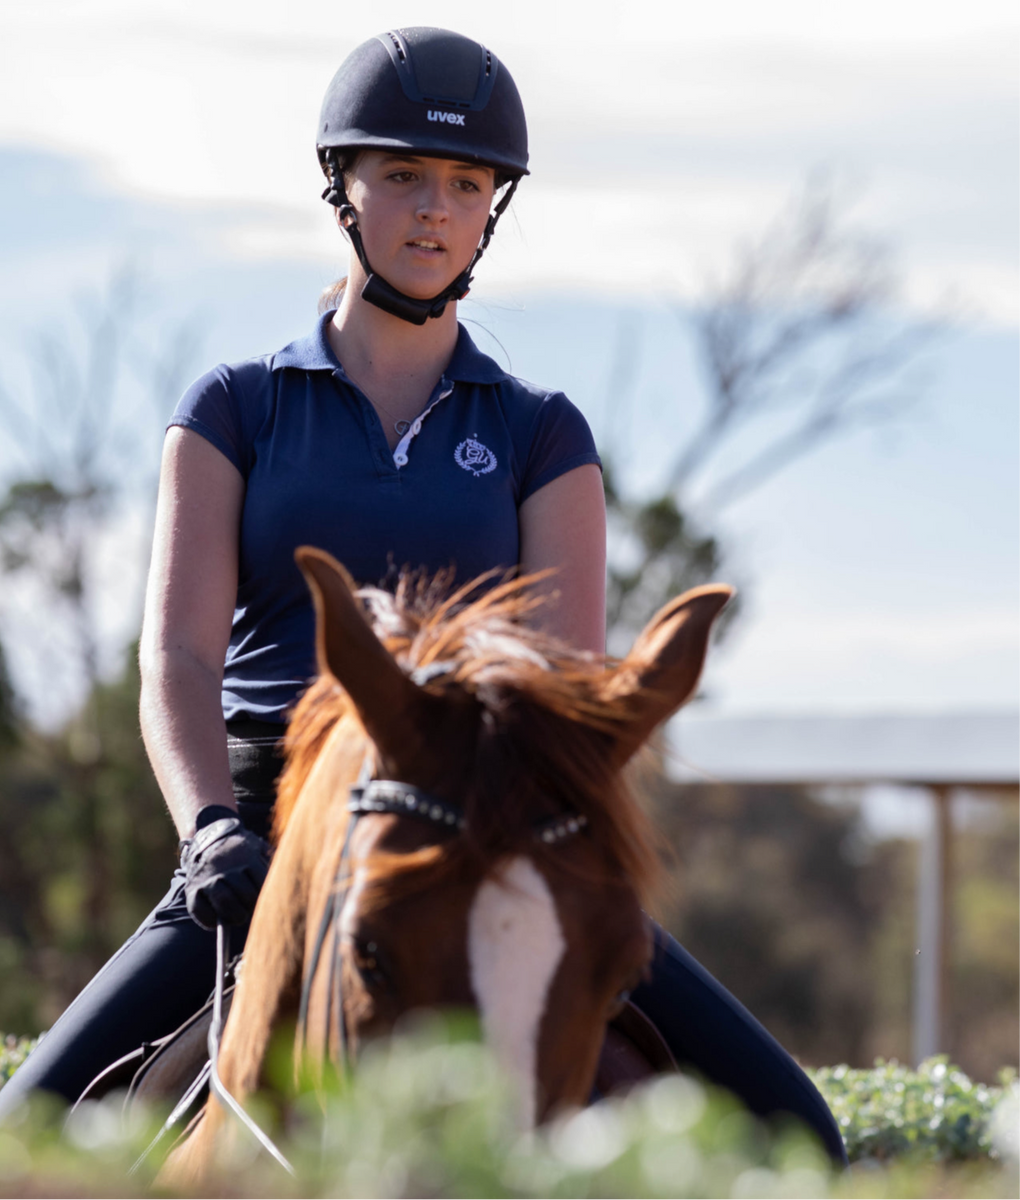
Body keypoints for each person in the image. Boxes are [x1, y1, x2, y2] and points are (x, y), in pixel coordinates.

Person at [0, 28, 845, 1164]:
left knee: (801, 1133)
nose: (435, 210)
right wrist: (208, 833)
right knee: (25, 1137)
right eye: (402, 175)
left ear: (493, 208)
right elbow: (181, 661)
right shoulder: (235, 409)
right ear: (342, 189)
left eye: (466, 184)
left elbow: (564, 687)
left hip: (489, 825)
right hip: (264, 830)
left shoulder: (542, 434)